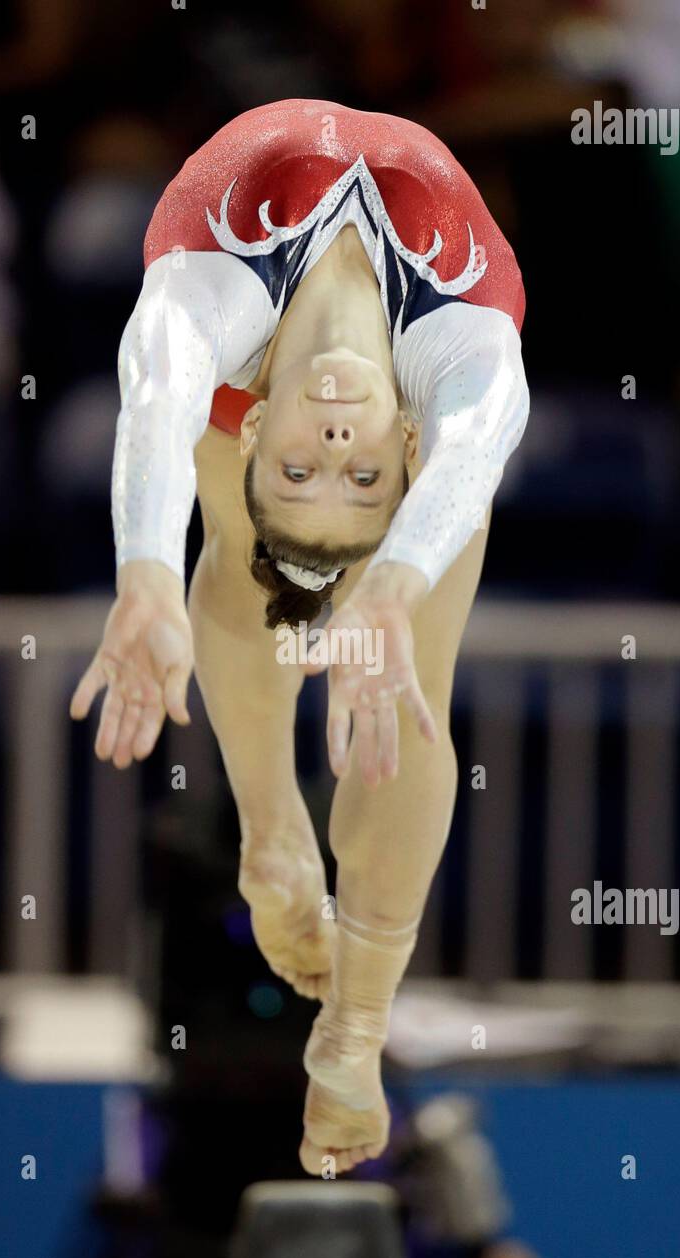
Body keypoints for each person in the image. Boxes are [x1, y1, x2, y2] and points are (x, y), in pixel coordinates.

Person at [71, 98, 528, 1174]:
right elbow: (469, 453)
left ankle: (339, 1004)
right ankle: (307, 911)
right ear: (402, 447)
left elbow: (156, 396)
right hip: (427, 410)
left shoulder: (216, 301)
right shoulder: (459, 347)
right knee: (406, 632)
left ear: (255, 414)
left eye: (300, 468)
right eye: (359, 474)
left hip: (240, 359)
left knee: (265, 570)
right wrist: (390, 580)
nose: (330, 445)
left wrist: (145, 575)